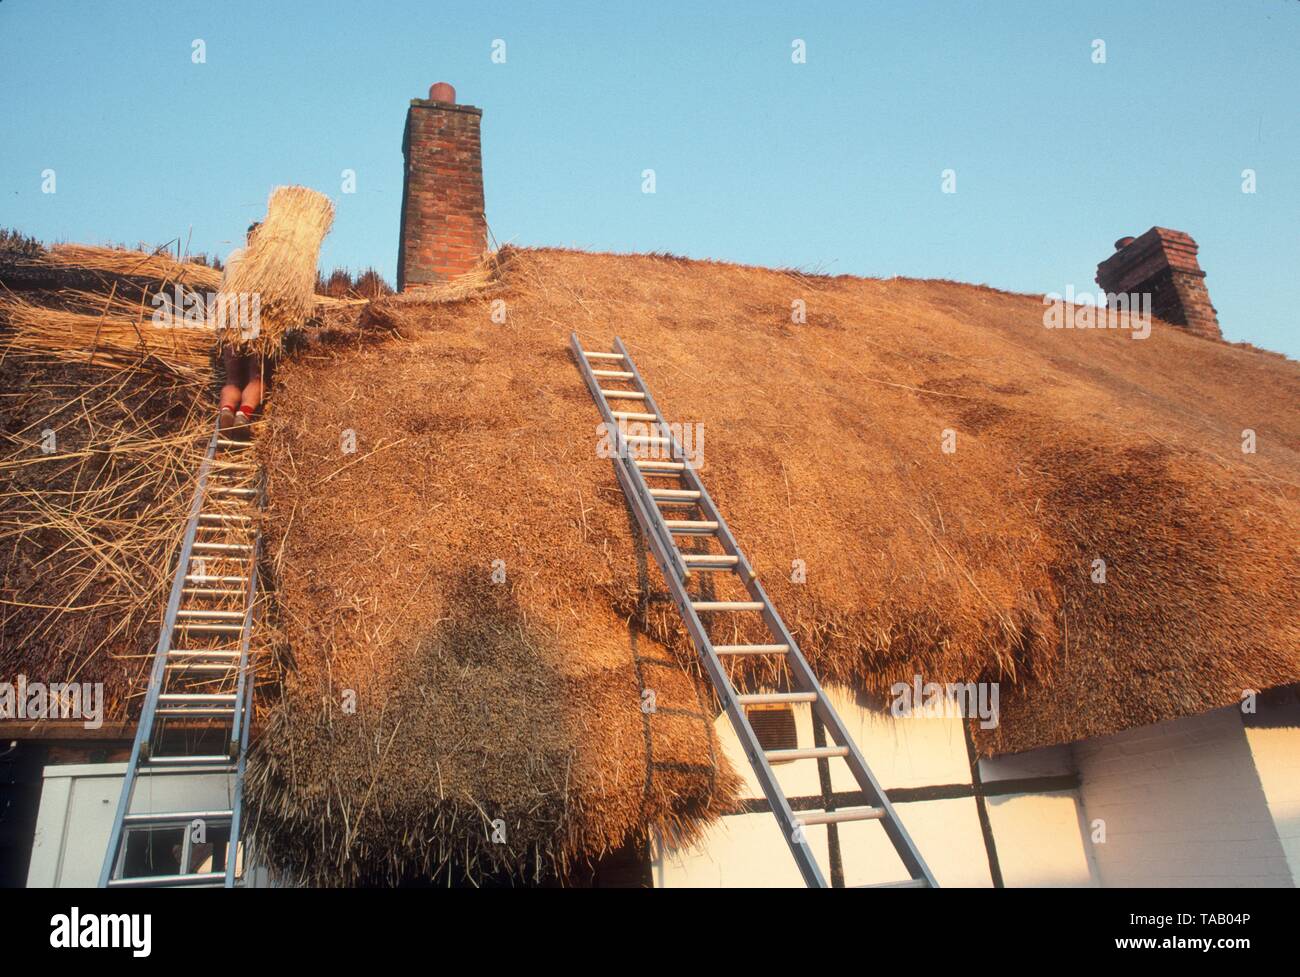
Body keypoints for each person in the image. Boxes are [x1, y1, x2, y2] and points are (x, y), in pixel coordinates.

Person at [217, 223, 268, 433]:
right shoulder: (268, 263)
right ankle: (243, 414)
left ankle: (227, 410)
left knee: (233, 378)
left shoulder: (233, 257)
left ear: (248, 238)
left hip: (229, 317)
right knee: (256, 376)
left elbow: (221, 292)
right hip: (255, 314)